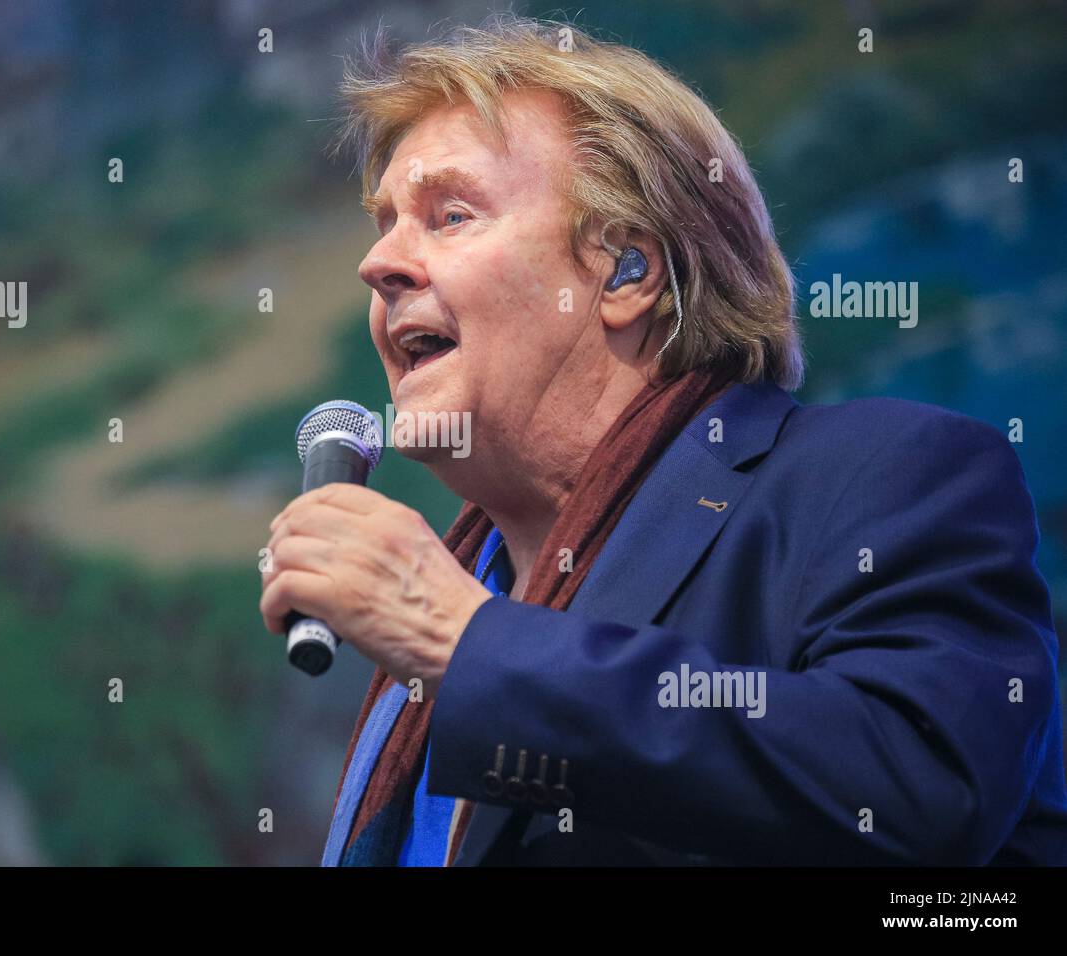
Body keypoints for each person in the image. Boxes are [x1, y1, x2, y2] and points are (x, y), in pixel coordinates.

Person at [258, 14, 1067, 866]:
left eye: (449, 215)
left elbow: (920, 784)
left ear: (628, 271)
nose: (378, 262)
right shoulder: (451, 607)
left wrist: (466, 647)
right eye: (383, 222)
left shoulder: (884, 475)